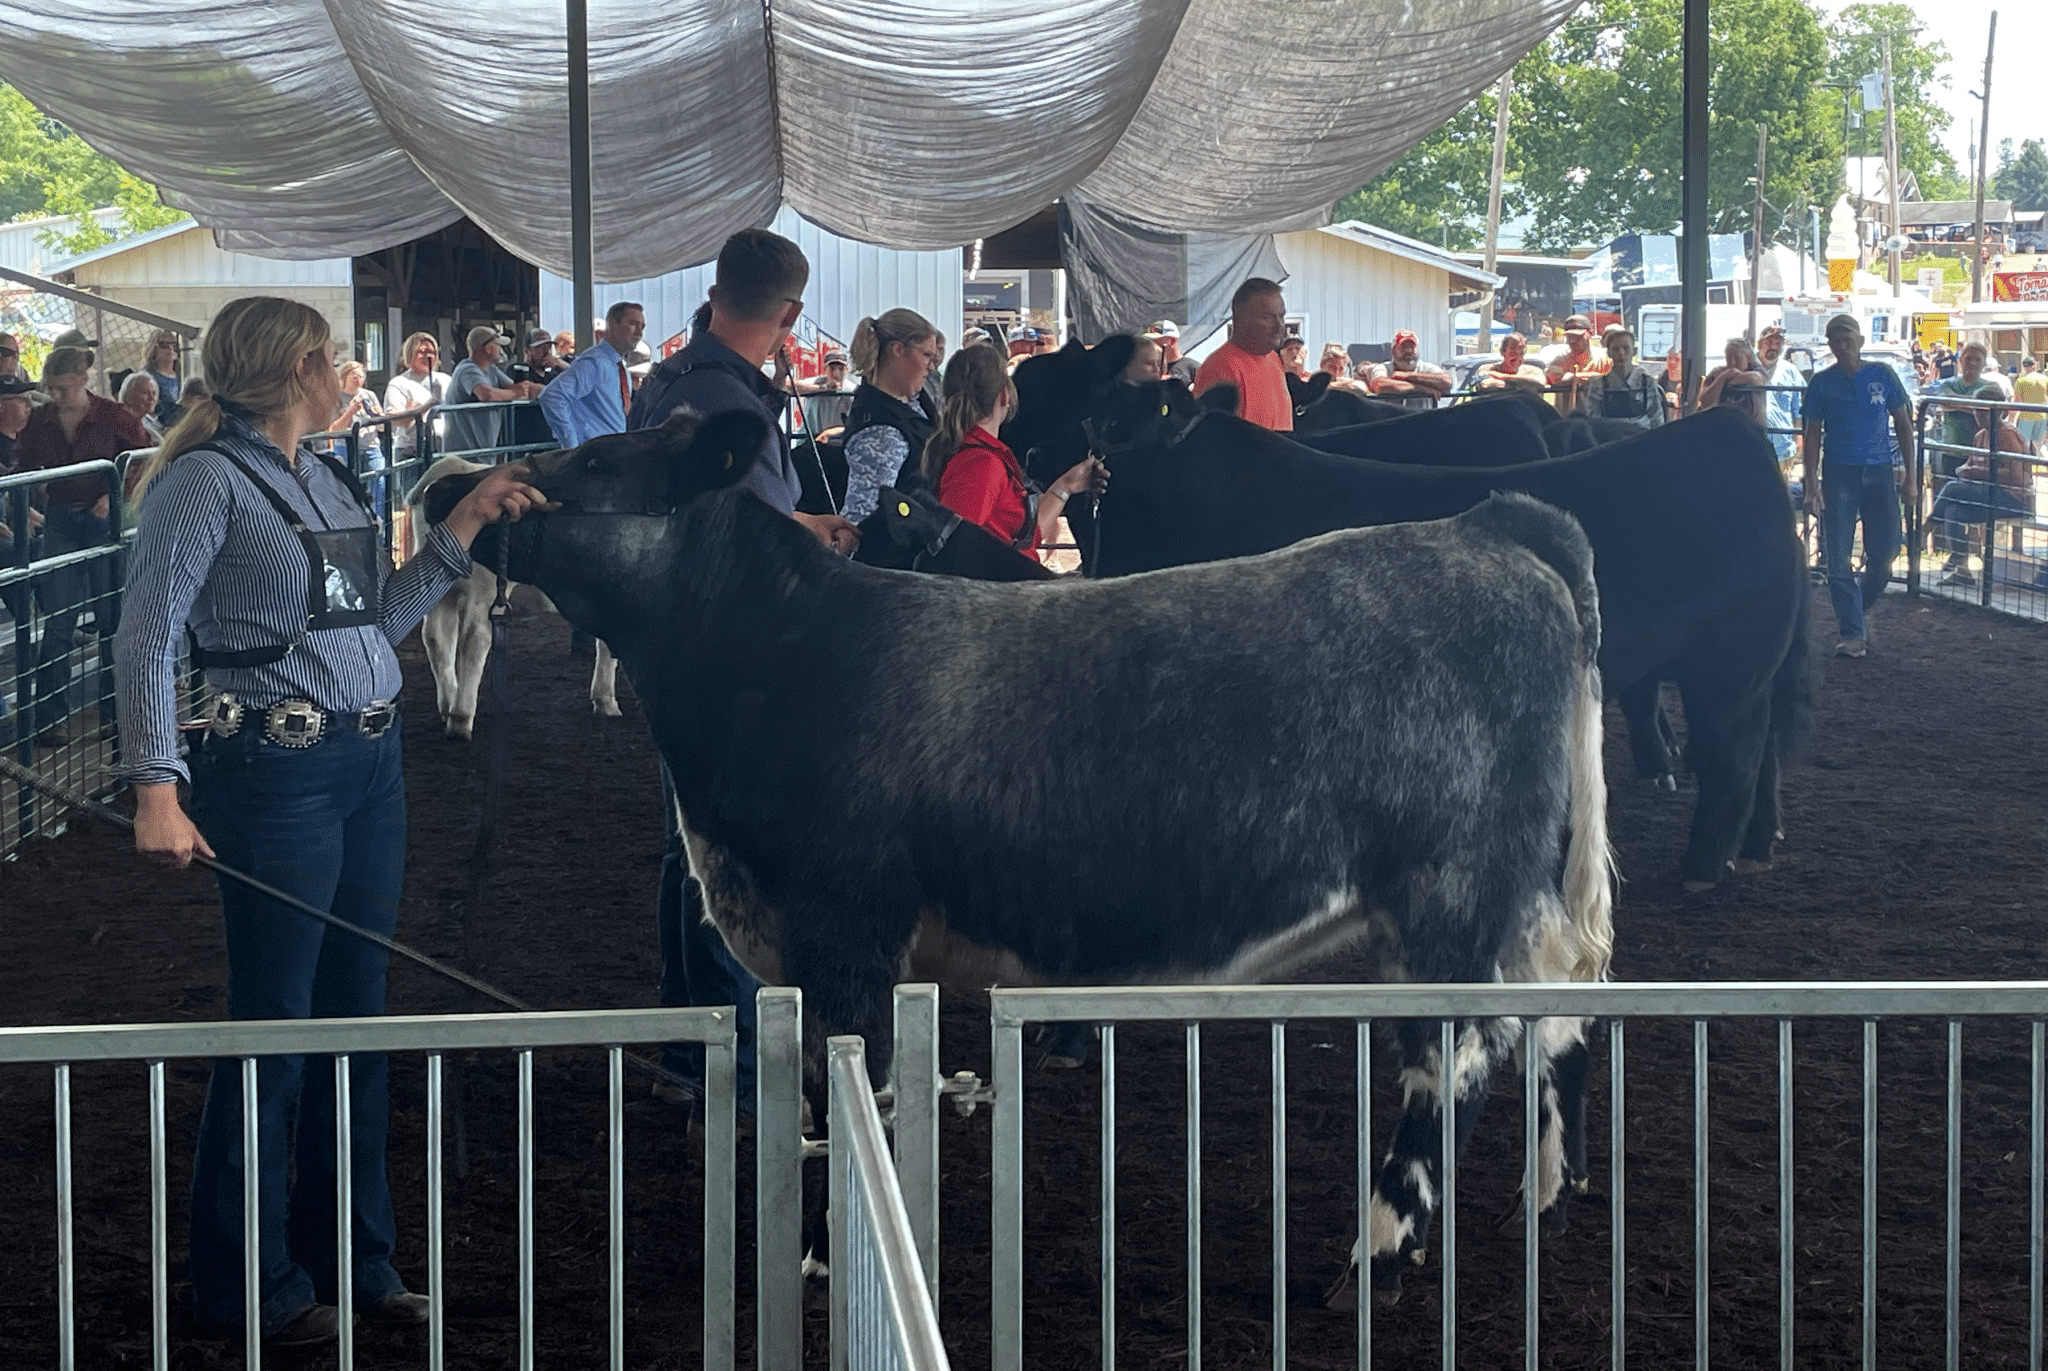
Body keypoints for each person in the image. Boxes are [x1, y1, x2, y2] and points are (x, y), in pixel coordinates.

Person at [112, 295, 547, 1347]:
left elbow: (377, 621)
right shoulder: (203, 480)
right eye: (335, 357)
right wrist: (156, 783)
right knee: (276, 1019)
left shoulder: (327, 477)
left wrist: (461, 526)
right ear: (300, 368)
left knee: (356, 1012)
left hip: (367, 759)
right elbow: (147, 635)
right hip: (277, 767)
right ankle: (248, 1282)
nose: (349, 372)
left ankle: (355, 1257)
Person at [626, 229, 860, 1109]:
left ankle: (692, 1052)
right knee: (734, 859)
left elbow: (705, 512)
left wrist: (796, 524)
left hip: (677, 645)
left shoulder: (672, 379)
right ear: (791, 313)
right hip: (735, 659)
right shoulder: (731, 401)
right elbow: (742, 537)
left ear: (715, 289)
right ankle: (745, 1069)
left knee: (687, 850)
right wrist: (809, 538)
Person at [16, 344, 150, 744]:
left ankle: (115, 711)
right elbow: (25, 464)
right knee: (59, 622)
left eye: (63, 388)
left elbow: (143, 459)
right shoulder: (41, 420)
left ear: (82, 380)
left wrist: (114, 494)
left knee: (112, 620)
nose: (55, 395)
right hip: (61, 519)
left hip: (104, 520)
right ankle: (51, 719)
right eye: (51, 388)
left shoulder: (113, 416)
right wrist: (30, 496)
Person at [923, 341, 1106, 551]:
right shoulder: (980, 463)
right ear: (1004, 396)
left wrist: (1067, 485)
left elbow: (1025, 537)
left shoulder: (975, 454)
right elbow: (959, 548)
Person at [1802, 314, 1914, 658]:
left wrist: (1911, 475)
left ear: (1860, 341)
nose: (1842, 346)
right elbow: (1812, 433)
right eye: (1835, 340)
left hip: (1879, 470)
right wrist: (1811, 483)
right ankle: (1852, 632)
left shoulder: (1883, 374)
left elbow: (1904, 423)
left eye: (1847, 339)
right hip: (1839, 472)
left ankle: (1858, 611)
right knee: (1838, 556)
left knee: (1886, 552)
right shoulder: (1822, 383)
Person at [839, 308, 944, 524]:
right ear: (898, 350)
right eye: (926, 355)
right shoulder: (881, 434)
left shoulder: (910, 401)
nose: (931, 367)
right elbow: (862, 516)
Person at [1925, 410, 2033, 587]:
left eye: (1985, 413)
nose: (1980, 416)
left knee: (1952, 488)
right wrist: (1964, 471)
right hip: (1987, 496)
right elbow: (1967, 465)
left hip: (2013, 497)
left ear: (2000, 412)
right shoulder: (1980, 436)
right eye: (1978, 412)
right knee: (1953, 511)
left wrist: (1978, 473)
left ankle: (1926, 529)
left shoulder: (2007, 435)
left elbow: (2016, 476)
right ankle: (1962, 569)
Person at [539, 300, 645, 451]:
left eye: (642, 326)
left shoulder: (620, 369)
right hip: (595, 454)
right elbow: (552, 396)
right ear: (612, 325)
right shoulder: (594, 363)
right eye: (632, 324)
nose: (639, 333)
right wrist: (572, 448)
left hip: (612, 452)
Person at [1192, 279, 1294, 431]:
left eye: (1281, 316)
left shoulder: (1273, 359)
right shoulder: (1221, 368)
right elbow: (1210, 436)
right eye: (1267, 317)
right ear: (1240, 319)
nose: (1279, 326)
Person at [444, 327, 539, 456]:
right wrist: (517, 393)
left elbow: (514, 386)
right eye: (498, 345)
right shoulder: (467, 369)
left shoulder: (491, 369)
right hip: (464, 456)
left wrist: (546, 391)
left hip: (483, 452)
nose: (501, 350)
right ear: (488, 348)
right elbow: (487, 395)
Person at [1925, 342, 2007, 481]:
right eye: (1969, 358)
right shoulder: (1948, 384)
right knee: (1947, 489)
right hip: (1951, 451)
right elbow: (1945, 403)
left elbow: (2000, 412)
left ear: (1983, 363)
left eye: (1977, 359)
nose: (1972, 363)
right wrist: (1978, 405)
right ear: (1961, 360)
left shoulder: (1991, 386)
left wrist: (1956, 402)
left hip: (1980, 454)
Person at [1576, 328, 1666, 429]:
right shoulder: (1599, 385)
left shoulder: (1647, 383)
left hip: (1641, 434)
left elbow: (1657, 419)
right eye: (1615, 349)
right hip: (1611, 435)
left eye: (1626, 348)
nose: (1621, 353)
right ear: (1609, 353)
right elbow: (1593, 421)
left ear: (1634, 351)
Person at [381, 333, 449, 465]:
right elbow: (393, 419)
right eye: (422, 352)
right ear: (410, 354)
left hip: (443, 449)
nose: (428, 356)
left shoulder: (445, 380)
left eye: (432, 352)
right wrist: (425, 407)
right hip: (412, 451)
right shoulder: (399, 383)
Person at [1362, 330, 1453, 411]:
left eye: (1412, 347)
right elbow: (1379, 385)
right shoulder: (1383, 368)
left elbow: (1447, 382)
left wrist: (1405, 376)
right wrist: (1420, 388)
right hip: (1392, 422)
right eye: (1403, 347)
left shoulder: (1426, 367)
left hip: (1422, 420)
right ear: (1393, 350)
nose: (1409, 350)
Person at [1756, 326, 1804, 469]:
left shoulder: (1791, 371)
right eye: (1769, 342)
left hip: (1782, 447)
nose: (1774, 347)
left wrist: (1798, 436)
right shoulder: (1746, 367)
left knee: (1781, 483)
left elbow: (1797, 409)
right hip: (1751, 444)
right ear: (1759, 344)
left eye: (1778, 343)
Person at [1544, 314, 1609, 412]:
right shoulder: (1561, 360)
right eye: (1569, 336)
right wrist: (1586, 378)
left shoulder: (1602, 359)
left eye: (1578, 336)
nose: (1572, 341)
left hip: (1596, 417)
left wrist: (1577, 377)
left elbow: (1611, 379)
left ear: (1590, 334)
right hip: (1568, 418)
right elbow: (1553, 376)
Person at [1696, 337, 1768, 424]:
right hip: (1723, 426)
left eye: (1737, 357)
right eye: (1728, 358)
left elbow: (1755, 378)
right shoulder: (1719, 372)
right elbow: (1704, 403)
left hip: (1751, 427)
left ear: (1748, 358)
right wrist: (1723, 377)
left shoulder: (1756, 370)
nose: (1732, 362)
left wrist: (1725, 380)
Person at [1474, 333, 1547, 396]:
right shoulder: (1487, 369)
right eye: (1513, 352)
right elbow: (1487, 385)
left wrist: (1501, 376)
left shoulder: (1534, 370)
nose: (1517, 358)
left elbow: (1540, 382)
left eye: (1521, 354)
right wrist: (1526, 383)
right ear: (1502, 352)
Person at [140, 330, 184, 425]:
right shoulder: (146, 376)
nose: (170, 348)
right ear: (153, 349)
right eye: (164, 345)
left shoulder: (182, 373)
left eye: (174, 345)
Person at [1147, 321, 1200, 386]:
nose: (1153, 344)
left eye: (1157, 340)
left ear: (1172, 340)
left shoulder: (1193, 368)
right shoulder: (1148, 369)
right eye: (1151, 340)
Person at [2013, 356, 2047, 452]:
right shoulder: (2045, 379)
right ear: (2034, 365)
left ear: (2024, 367)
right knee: (2040, 446)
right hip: (2041, 416)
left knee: (2025, 445)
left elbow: (2016, 401)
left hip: (2025, 416)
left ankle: (2026, 461)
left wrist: (2011, 419)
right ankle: (2044, 460)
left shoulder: (2021, 381)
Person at [119, 370, 165, 440]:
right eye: (145, 393)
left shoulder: (153, 423)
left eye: (154, 393)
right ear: (129, 397)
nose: (152, 398)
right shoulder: (123, 425)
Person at [1659, 346, 1686, 421]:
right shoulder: (1661, 380)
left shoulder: (1688, 381)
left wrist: (1678, 400)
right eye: (1670, 358)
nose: (1672, 362)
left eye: (1677, 359)